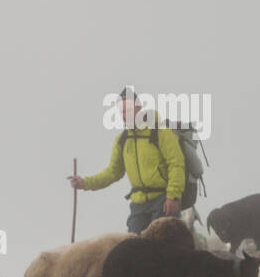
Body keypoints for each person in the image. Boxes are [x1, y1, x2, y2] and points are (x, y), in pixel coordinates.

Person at [68, 87, 186, 234]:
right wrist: (84, 183)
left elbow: (176, 164)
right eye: (122, 112)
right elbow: (112, 173)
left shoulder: (160, 131)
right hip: (138, 205)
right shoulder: (122, 140)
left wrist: (173, 196)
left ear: (139, 107)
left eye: (128, 110)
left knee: (162, 248)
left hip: (163, 200)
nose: (125, 116)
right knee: (133, 250)